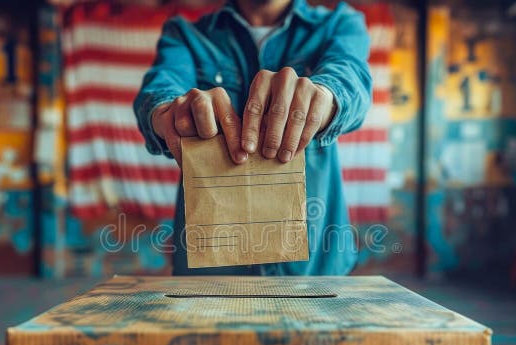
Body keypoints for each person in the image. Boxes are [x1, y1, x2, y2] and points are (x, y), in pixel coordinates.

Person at [134, 0, 372, 276]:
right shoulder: (184, 35)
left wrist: (326, 96)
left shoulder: (341, 24)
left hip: (316, 271)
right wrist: (167, 114)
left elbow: (351, 78)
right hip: (210, 280)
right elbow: (158, 90)